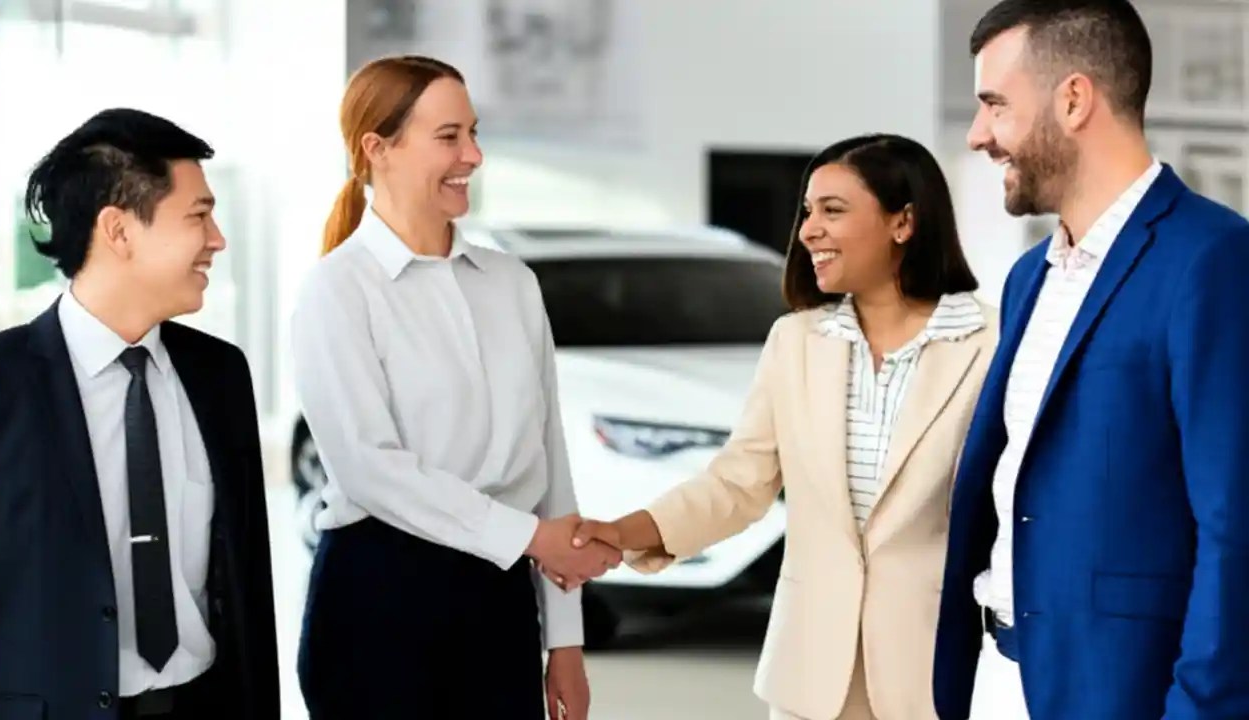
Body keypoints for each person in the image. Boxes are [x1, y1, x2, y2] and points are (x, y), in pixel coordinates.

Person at [571, 134, 997, 720]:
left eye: (833, 210)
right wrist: (625, 532)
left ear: (904, 222)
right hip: (812, 674)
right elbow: (737, 483)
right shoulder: (795, 343)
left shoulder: (991, 343)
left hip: (942, 671)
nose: (808, 231)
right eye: (807, 211)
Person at [933, 1, 1249, 718]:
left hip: (1117, 696)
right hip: (995, 680)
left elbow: (1237, 526)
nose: (980, 135)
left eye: (995, 104)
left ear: (1073, 99)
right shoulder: (1026, 280)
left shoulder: (1213, 258)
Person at [290, 55, 619, 720]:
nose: (473, 154)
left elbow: (549, 458)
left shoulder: (512, 284)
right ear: (377, 149)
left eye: (473, 132)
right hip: (376, 602)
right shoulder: (337, 290)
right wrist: (529, 537)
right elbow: (369, 469)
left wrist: (565, 641)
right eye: (449, 137)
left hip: (497, 602)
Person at [0, 109, 279, 719]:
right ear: (119, 231)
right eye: (198, 215)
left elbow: (249, 591)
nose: (217, 238)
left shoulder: (221, 375)